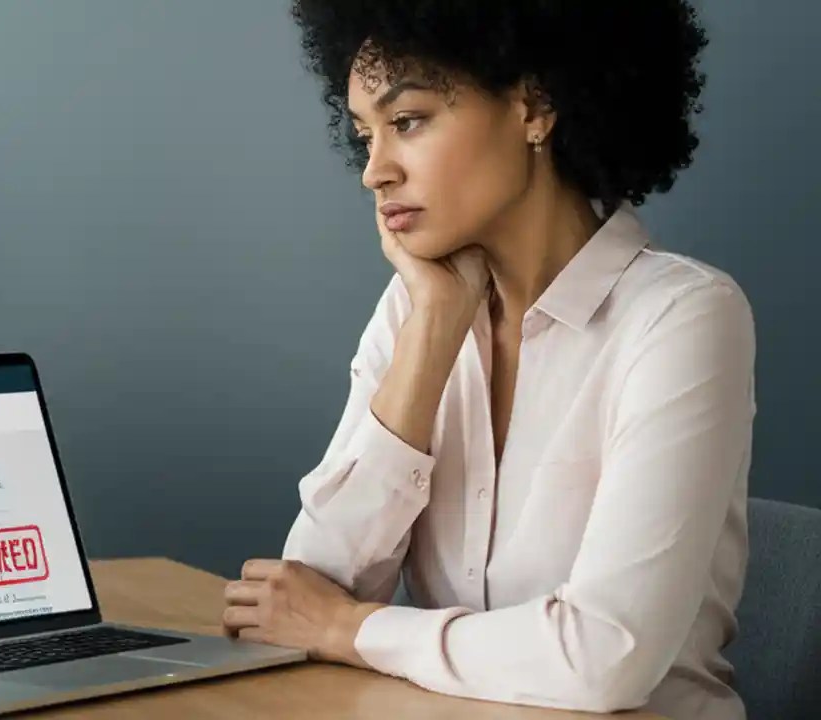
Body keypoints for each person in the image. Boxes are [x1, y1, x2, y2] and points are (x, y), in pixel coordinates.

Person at [220, 3, 755, 719]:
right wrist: (435, 329)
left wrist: (349, 629)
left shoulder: (682, 318)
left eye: (406, 121)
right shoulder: (417, 306)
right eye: (363, 135)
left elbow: (605, 660)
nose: (373, 172)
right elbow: (304, 591)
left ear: (534, 106)